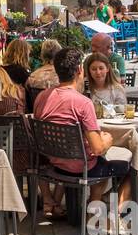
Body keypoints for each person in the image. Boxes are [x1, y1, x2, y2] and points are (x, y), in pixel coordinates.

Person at [33, 47, 132, 222]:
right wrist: (107, 140)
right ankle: (94, 207)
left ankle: (89, 204)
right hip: (81, 167)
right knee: (130, 165)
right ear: (80, 70)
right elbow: (98, 148)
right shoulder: (82, 102)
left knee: (97, 159)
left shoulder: (42, 97)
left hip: (53, 163)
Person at [84, 53, 127, 117]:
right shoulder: (85, 88)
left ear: (107, 68)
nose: (98, 72)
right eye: (93, 69)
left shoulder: (117, 89)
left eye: (101, 68)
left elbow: (122, 110)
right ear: (89, 71)